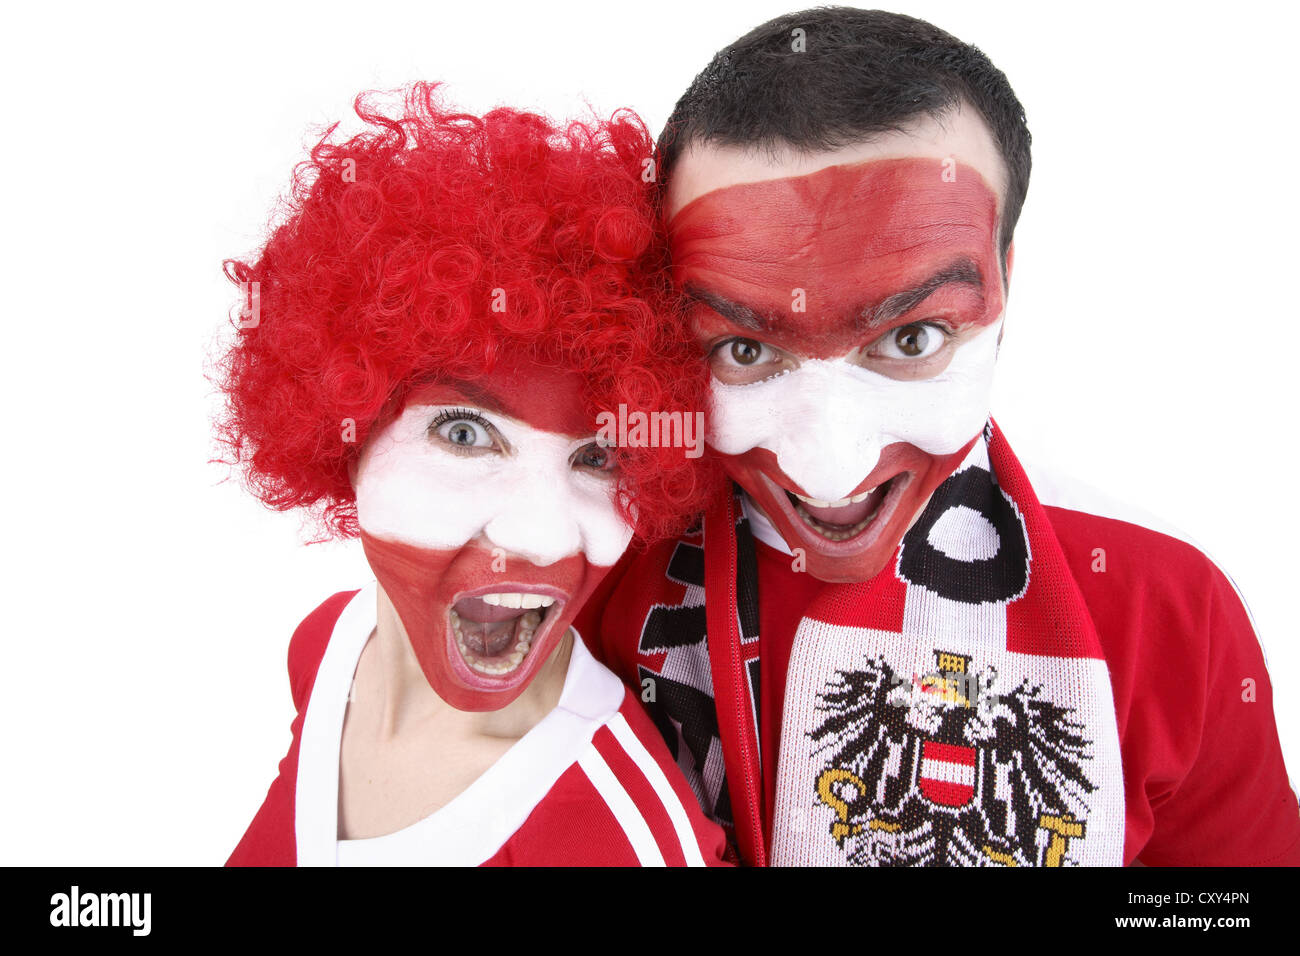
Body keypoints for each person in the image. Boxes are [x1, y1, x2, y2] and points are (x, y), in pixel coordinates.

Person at [583, 8, 1300, 866]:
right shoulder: (579, 563)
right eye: (747, 349)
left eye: (912, 338)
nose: (828, 466)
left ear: (1006, 281)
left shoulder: (1165, 609)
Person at [217, 83, 727, 866]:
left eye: (598, 457)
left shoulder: (614, 830)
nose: (539, 532)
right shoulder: (327, 651)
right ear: (341, 423)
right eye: (464, 432)